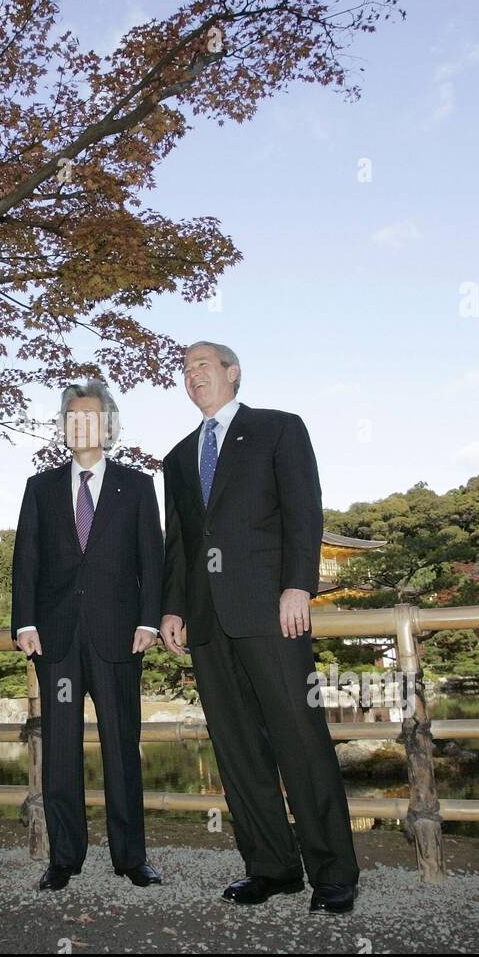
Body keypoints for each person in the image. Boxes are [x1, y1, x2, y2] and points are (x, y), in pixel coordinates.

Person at [159, 342, 360, 914]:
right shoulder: (177, 458)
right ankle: (271, 867)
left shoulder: (278, 429)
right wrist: (173, 608)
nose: (193, 375)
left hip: (271, 611)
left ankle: (332, 873)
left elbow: (305, 509)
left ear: (232, 373)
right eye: (186, 369)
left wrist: (299, 584)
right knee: (238, 749)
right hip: (206, 621)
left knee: (300, 739)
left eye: (203, 365)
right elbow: (180, 545)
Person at [12, 380, 164, 889]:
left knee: (123, 746)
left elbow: (152, 560)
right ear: (63, 427)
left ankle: (130, 857)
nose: (81, 424)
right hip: (55, 639)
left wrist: (148, 620)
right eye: (72, 416)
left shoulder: (138, 486)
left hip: (120, 637)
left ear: (108, 425)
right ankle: (65, 858)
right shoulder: (40, 487)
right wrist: (24, 621)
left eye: (91, 416)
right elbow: (26, 559)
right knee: (60, 750)